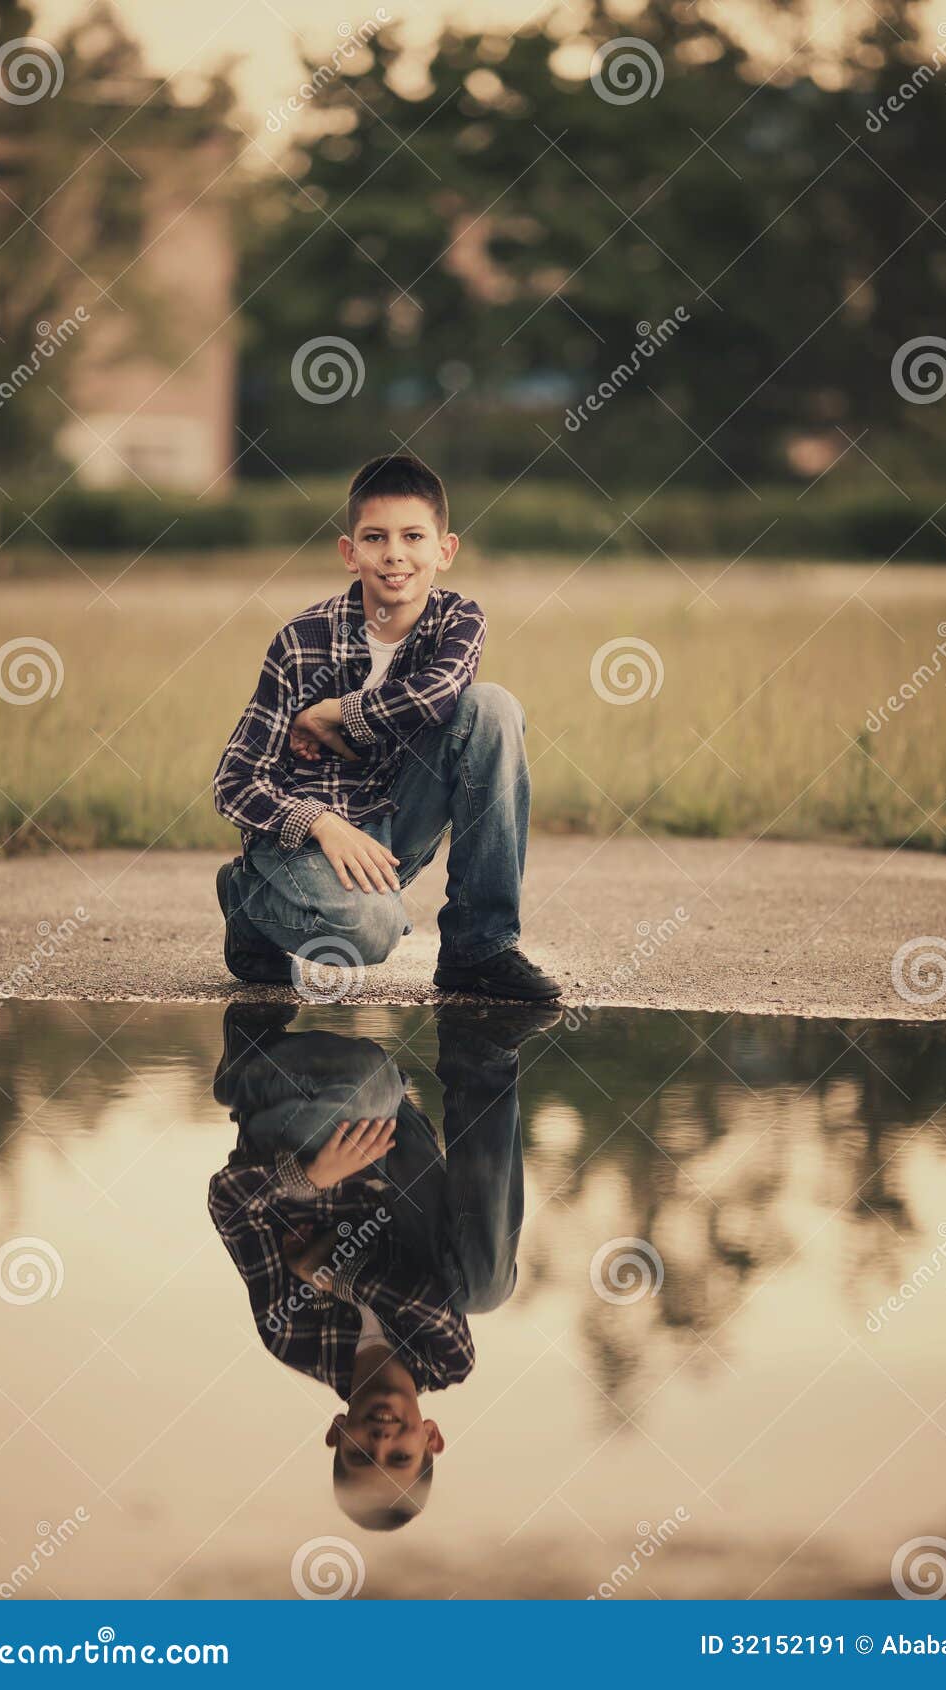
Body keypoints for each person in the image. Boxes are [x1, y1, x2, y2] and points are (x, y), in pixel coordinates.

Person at [212, 451, 560, 1002]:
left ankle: (480, 948)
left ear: (445, 551)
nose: (395, 555)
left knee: (492, 707)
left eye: (414, 537)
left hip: (395, 826)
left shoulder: (456, 619)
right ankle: (247, 903)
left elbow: (439, 693)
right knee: (369, 933)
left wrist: (335, 713)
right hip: (305, 843)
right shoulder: (303, 642)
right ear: (350, 553)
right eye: (375, 538)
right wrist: (320, 821)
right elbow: (234, 782)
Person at [207, 1002, 556, 1528]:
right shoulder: (448, 1361)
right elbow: (422, 1300)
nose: (383, 1438)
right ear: (431, 1438)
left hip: (301, 1128)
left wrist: (309, 1180)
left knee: (366, 1082)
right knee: (484, 1290)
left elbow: (229, 1201)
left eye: (361, 1454)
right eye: (400, 1456)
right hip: (396, 1139)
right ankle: (484, 1048)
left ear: (337, 1434)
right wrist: (334, 1274)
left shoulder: (294, 1336)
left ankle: (246, 1066)